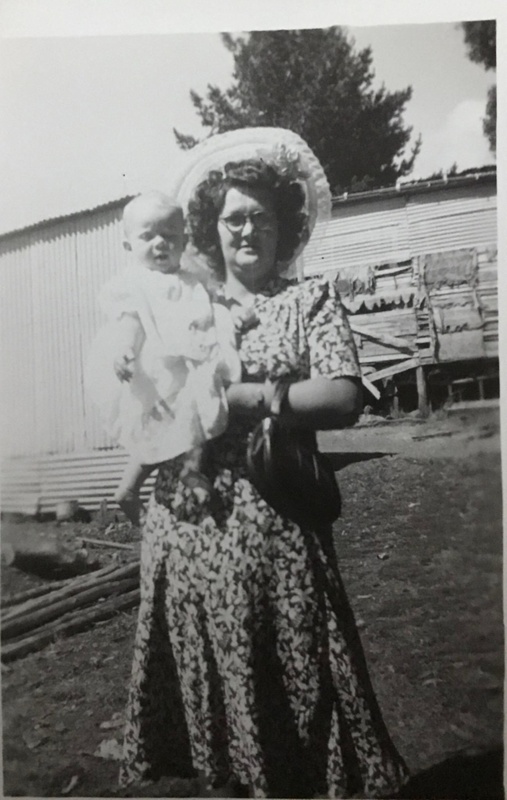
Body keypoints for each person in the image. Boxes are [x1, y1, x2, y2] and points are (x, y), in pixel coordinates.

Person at [119, 129, 410, 798]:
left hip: (277, 532)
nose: (247, 231)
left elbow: (341, 397)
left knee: (296, 679)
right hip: (187, 532)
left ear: (285, 227)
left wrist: (253, 395)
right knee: (213, 697)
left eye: (261, 217)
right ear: (211, 229)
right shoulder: (182, 303)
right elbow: (149, 394)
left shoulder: (309, 302)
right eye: (233, 219)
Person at [86, 191, 240, 526]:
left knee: (197, 417)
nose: (160, 243)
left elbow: (209, 309)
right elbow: (130, 321)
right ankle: (130, 486)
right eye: (147, 236)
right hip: (158, 370)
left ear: (184, 241)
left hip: (191, 364)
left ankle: (192, 470)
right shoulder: (134, 284)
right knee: (158, 429)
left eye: (169, 236)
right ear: (128, 246)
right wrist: (125, 350)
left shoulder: (192, 279)